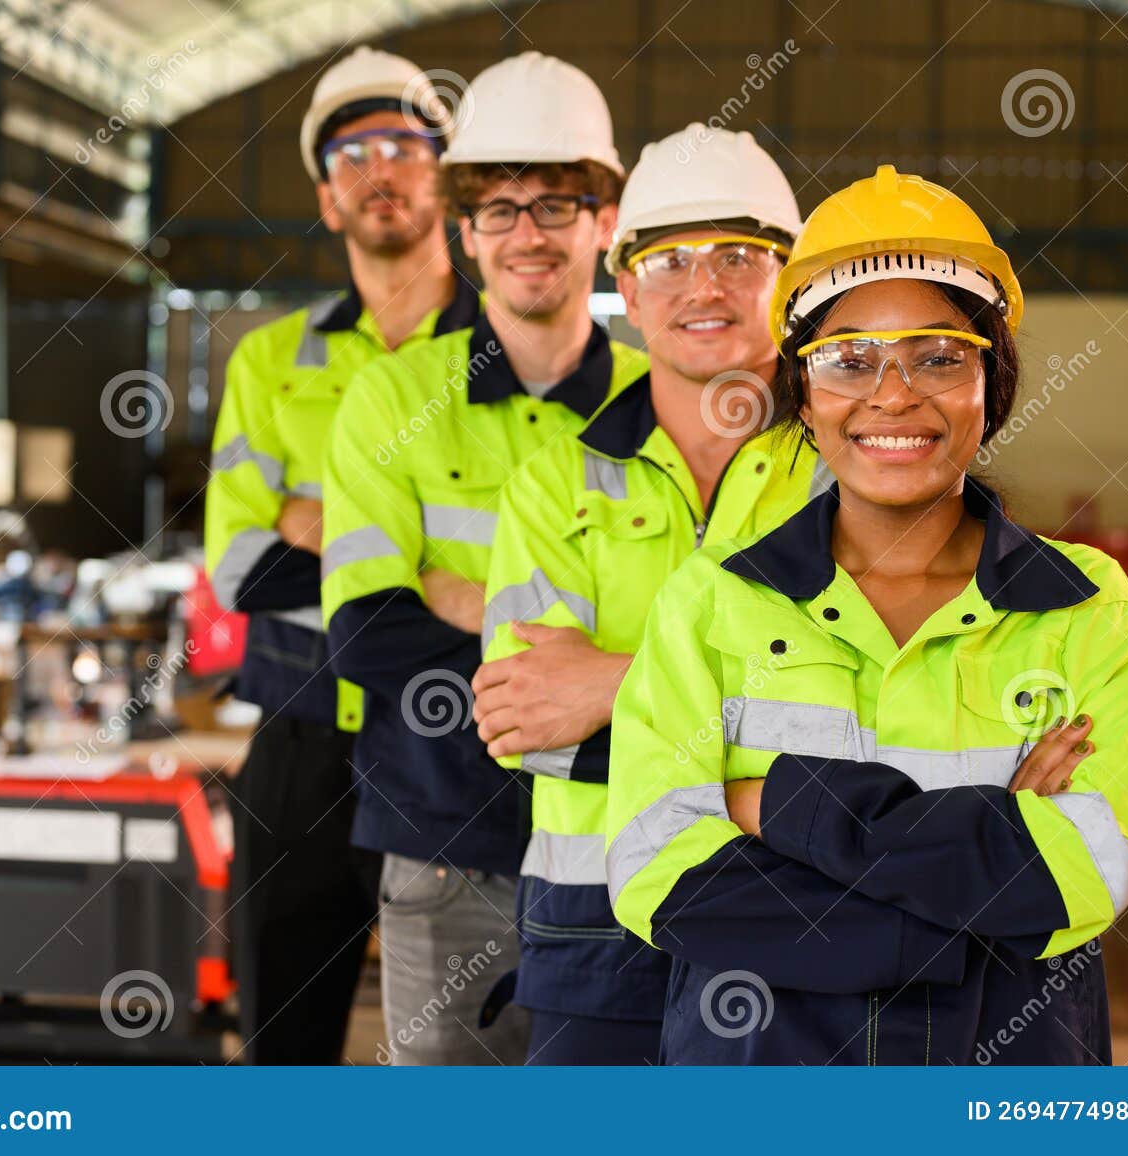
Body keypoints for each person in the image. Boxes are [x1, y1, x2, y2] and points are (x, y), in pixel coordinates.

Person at [605, 165, 1128, 1065]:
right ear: (803, 392)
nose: (893, 395)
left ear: (993, 376)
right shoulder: (712, 605)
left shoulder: (1089, 611)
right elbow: (658, 879)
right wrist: (984, 850)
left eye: (938, 355)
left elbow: (1083, 873)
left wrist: (772, 803)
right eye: (848, 359)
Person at [321, 51, 648, 1065]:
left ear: (605, 221)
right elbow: (369, 636)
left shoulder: (663, 405)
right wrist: (579, 665)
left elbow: (710, 637)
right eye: (499, 209)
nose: (527, 236)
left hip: (625, 846)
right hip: (447, 842)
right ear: (464, 232)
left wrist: (468, 602)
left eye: (556, 205)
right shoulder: (390, 400)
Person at [472, 125, 823, 1064]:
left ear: (790, 285)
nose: (704, 286)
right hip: (595, 930)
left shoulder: (846, 478)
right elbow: (528, 732)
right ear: (624, 287)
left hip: (803, 915)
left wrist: (613, 683)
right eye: (669, 260)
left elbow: (874, 720)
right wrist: (771, 737)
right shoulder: (555, 484)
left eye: (740, 256)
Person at [204, 45, 477, 1065]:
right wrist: (429, 571)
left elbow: (540, 571)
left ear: (443, 178)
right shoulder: (274, 362)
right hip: (302, 737)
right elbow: (238, 568)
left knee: (469, 1034)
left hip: (463, 740)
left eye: (404, 143)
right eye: (351, 152)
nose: (379, 169)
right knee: (282, 1032)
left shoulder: (507, 351)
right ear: (327, 198)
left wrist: (327, 524)